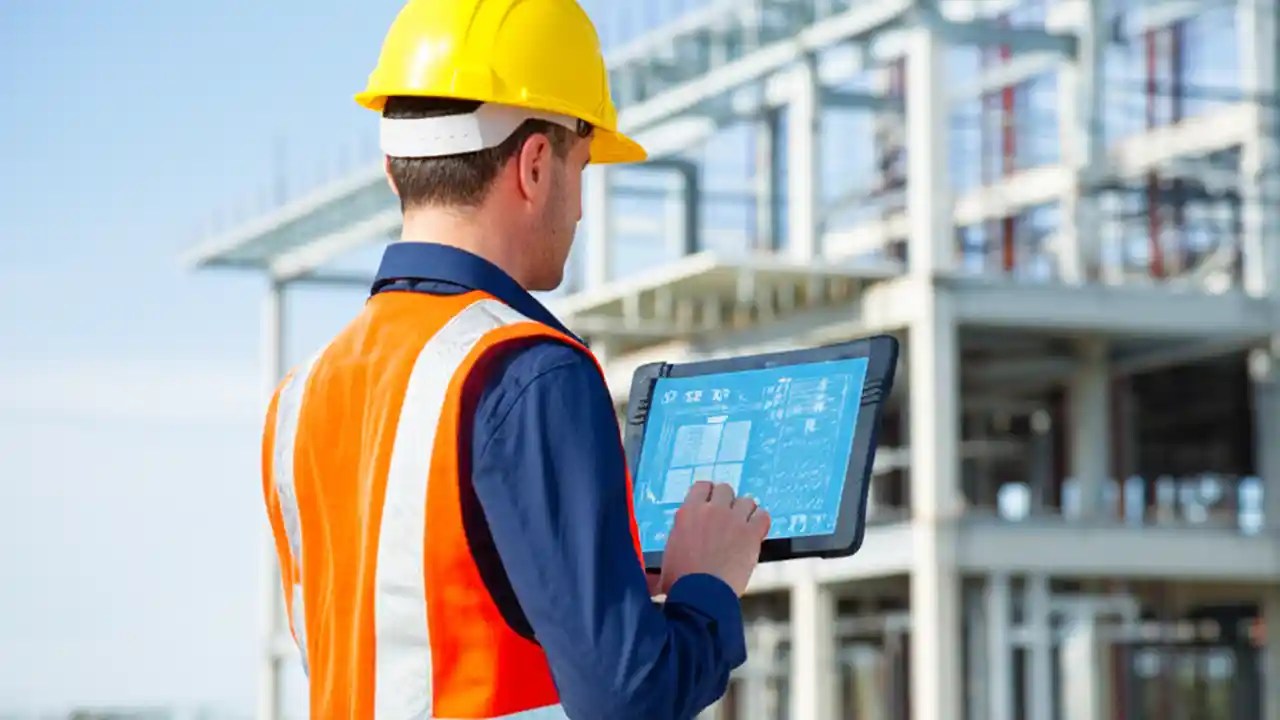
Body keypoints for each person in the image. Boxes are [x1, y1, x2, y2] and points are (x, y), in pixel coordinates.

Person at [259, 1, 772, 718]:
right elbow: (630, 698)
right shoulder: (529, 371)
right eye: (582, 167)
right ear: (534, 165)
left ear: (392, 170)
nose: (581, 209)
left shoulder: (300, 395)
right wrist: (707, 586)